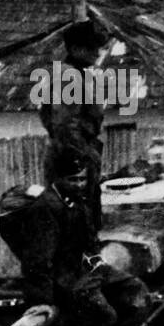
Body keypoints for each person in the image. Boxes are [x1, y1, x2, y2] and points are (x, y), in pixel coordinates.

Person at [0, 152, 160, 326]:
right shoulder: (46, 209)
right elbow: (38, 260)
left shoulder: (78, 201)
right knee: (104, 314)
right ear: (58, 179)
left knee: (135, 290)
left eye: (82, 179)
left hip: (87, 268)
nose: (79, 184)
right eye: (72, 180)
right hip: (64, 276)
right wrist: (41, 300)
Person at [41, 20, 108, 238]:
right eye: (91, 48)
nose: (97, 53)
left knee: (83, 223)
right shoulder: (69, 78)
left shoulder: (75, 74)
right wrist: (84, 157)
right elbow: (64, 126)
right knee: (77, 226)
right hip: (71, 160)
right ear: (75, 49)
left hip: (77, 154)